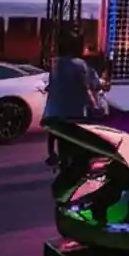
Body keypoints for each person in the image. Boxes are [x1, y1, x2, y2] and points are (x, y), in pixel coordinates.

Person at [41, 29, 98, 167]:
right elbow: (91, 84)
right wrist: (95, 104)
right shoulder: (80, 64)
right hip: (75, 112)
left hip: (54, 112)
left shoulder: (56, 63)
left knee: (56, 132)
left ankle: (52, 153)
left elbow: (52, 84)